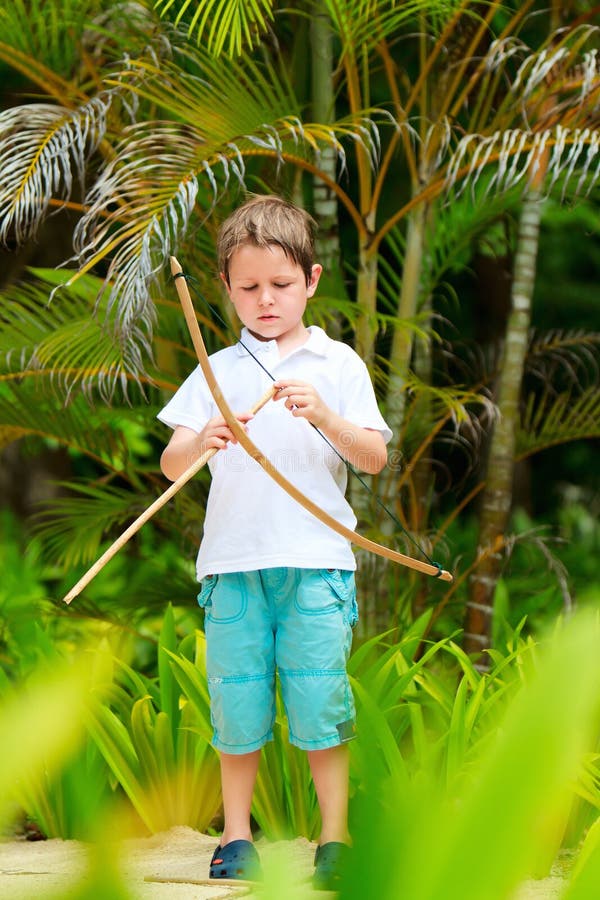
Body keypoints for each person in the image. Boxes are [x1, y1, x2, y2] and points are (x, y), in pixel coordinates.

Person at [158, 195, 391, 890]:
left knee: (321, 700)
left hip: (317, 563)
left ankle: (335, 838)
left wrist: (323, 414)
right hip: (234, 566)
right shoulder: (217, 369)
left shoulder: (337, 362)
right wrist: (204, 438)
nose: (265, 300)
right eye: (249, 287)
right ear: (226, 288)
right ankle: (236, 837)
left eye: (281, 286)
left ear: (312, 281)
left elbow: (373, 457)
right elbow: (172, 462)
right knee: (238, 703)